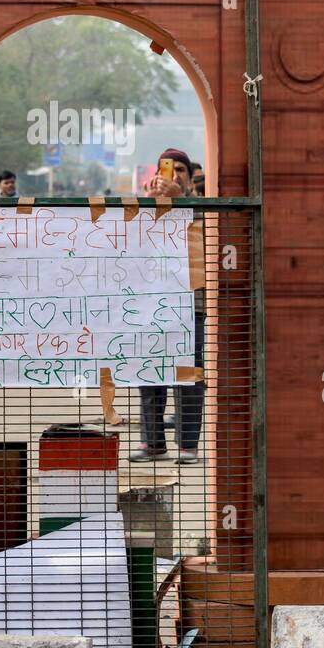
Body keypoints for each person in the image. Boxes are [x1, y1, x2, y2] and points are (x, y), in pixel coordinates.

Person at [130, 147, 205, 465]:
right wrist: (149, 206)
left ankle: (188, 444)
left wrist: (178, 203)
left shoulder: (200, 208)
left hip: (190, 303)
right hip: (149, 303)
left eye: (181, 172)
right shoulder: (146, 208)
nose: (173, 177)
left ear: (190, 180)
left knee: (187, 375)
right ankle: (153, 443)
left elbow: (202, 240)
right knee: (149, 374)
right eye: (167, 170)